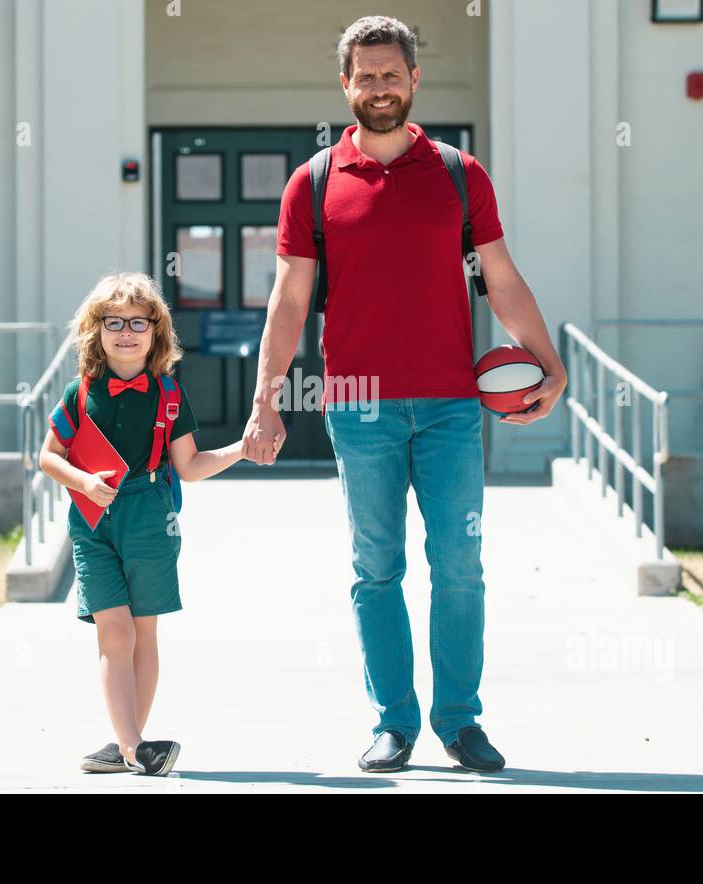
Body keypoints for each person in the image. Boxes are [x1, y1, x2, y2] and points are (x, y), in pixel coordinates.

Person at [243, 16, 568, 773]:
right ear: (345, 85)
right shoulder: (315, 182)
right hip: (357, 405)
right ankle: (394, 722)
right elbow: (290, 300)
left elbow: (503, 278)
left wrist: (549, 364)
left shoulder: (459, 173)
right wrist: (267, 396)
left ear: (414, 80)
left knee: (460, 565)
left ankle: (461, 721)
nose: (379, 87)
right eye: (366, 76)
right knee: (377, 567)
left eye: (392, 74)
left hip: (454, 403)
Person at [40, 271, 254, 776]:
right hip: (92, 520)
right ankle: (135, 746)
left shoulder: (169, 395)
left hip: (150, 517)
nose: (127, 332)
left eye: (139, 322)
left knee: (142, 632)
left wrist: (242, 449)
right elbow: (49, 458)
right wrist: (83, 481)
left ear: (157, 332)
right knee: (112, 631)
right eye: (114, 322)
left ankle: (127, 744)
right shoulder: (79, 392)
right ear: (96, 330)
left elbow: (191, 467)